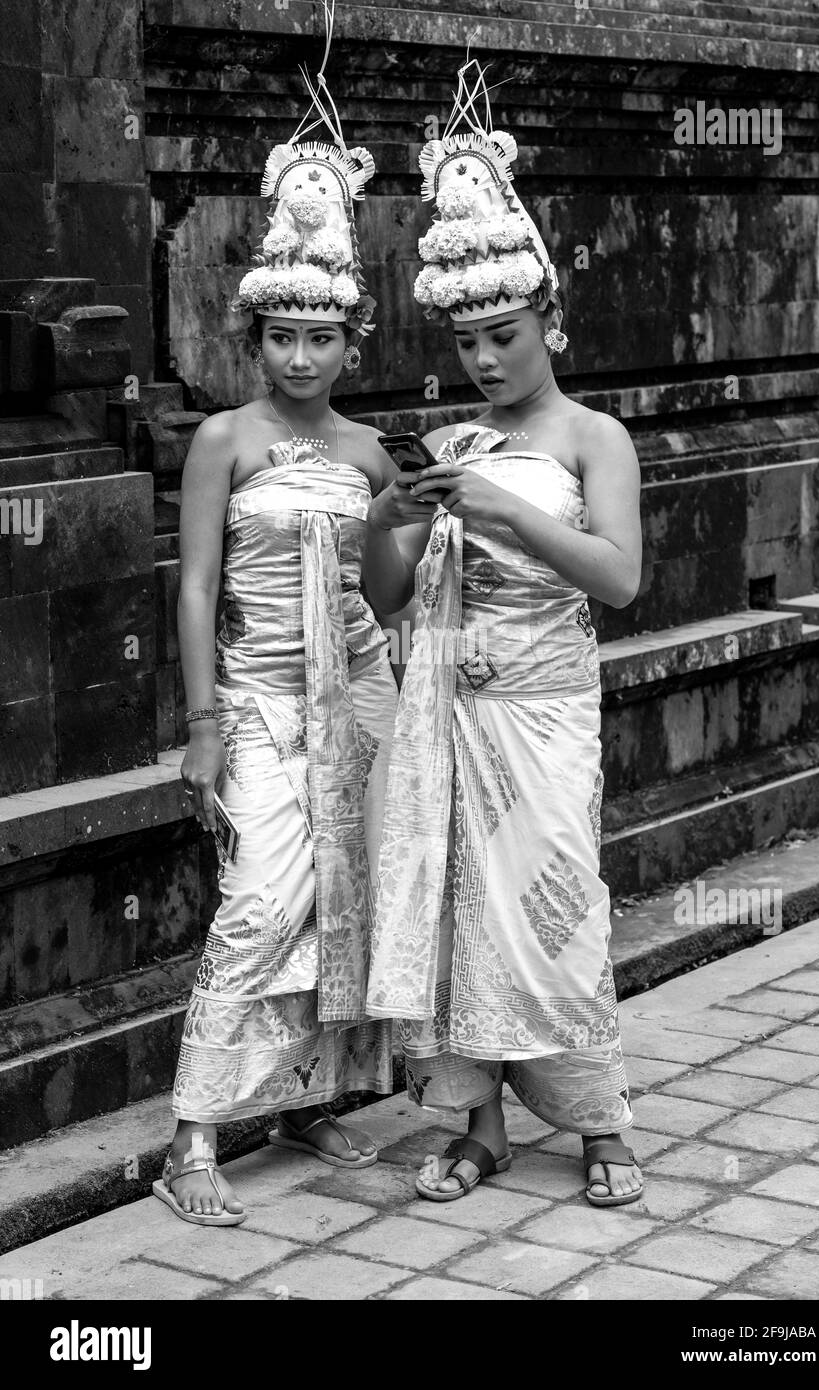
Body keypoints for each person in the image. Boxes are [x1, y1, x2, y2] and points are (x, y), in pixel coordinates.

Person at [363, 60, 644, 1207]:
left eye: (503, 333)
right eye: (467, 338)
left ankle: (597, 1122)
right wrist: (384, 515)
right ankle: (478, 1123)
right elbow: (389, 599)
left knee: (555, 908)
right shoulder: (452, 446)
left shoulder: (592, 438)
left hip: (542, 708)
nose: (483, 359)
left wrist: (509, 514)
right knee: (458, 916)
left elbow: (618, 578)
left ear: (550, 322)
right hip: (454, 712)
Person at [153, 35, 398, 1226]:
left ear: (352, 342)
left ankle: (307, 1099)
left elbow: (384, 595)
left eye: (321, 338)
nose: (300, 357)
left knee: (347, 894)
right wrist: (201, 723)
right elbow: (196, 586)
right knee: (257, 902)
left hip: (356, 694)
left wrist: (409, 524)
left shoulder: (370, 453)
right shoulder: (224, 440)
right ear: (251, 341)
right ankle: (192, 1136)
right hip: (254, 702)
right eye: (280, 337)